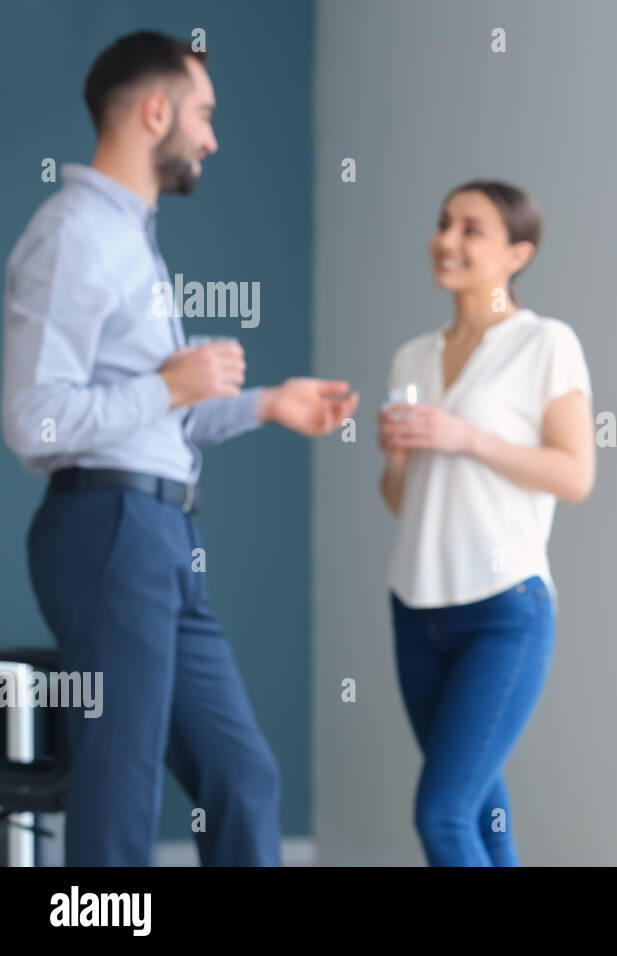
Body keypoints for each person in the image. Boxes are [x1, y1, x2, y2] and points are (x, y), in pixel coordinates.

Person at [1, 31, 358, 866]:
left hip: (160, 534)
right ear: (155, 109)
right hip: (107, 529)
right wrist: (171, 385)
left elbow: (162, 419)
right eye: (203, 113)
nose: (212, 138)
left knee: (244, 776)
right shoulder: (75, 233)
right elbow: (32, 419)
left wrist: (265, 403)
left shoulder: (134, 240)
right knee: (120, 790)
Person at [378, 181, 595, 866]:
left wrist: (465, 436)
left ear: (516, 253)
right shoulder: (411, 357)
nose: (448, 241)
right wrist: (399, 456)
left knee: (441, 817)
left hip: (504, 609)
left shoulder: (545, 344)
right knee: (484, 820)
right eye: (444, 224)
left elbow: (574, 475)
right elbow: (397, 498)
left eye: (472, 229)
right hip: (415, 607)